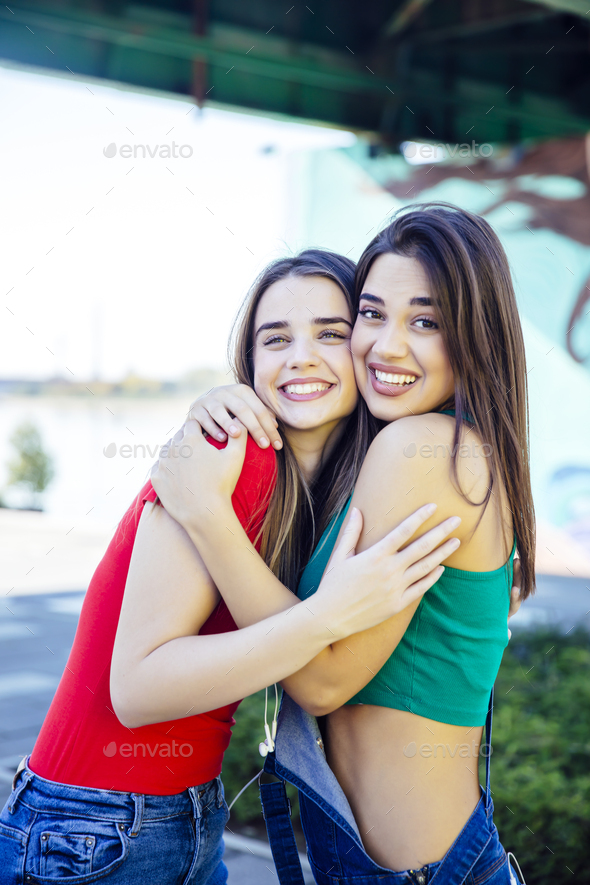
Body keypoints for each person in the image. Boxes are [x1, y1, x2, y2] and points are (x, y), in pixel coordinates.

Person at [0, 250, 460, 885]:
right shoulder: (226, 455)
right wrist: (327, 616)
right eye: (276, 339)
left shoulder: (331, 490)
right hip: (93, 825)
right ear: (249, 362)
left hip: (176, 816)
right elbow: (137, 690)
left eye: (330, 334)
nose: (300, 357)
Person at [151, 203, 531, 883]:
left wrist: (206, 514)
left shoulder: (422, 449)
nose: (386, 347)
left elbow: (319, 679)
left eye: (426, 322)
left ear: (476, 336)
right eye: (371, 314)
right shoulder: (434, 447)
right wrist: (227, 404)